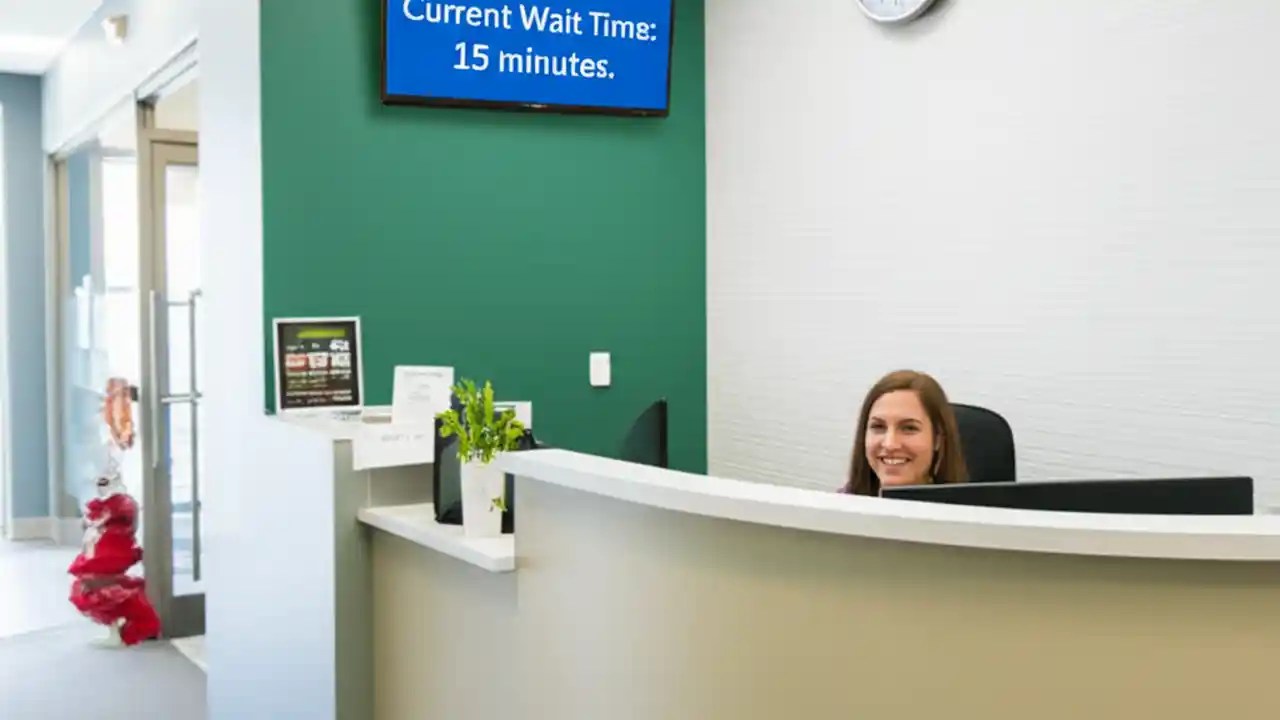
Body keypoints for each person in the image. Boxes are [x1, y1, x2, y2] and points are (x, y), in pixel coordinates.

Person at [841, 369, 968, 496]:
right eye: (878, 426)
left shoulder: (964, 512)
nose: (890, 444)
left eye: (909, 428)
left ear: (938, 439)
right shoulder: (840, 505)